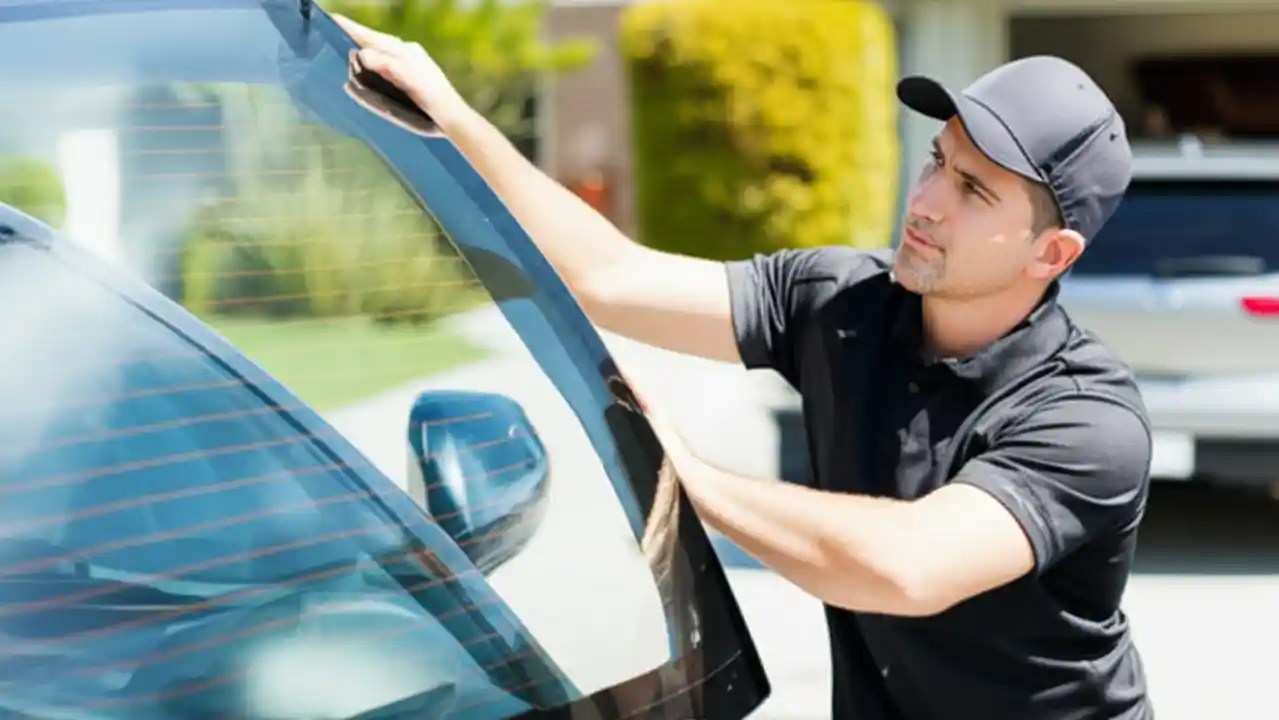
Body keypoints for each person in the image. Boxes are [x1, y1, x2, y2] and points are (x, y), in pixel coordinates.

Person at [335, 15, 1154, 720]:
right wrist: (452, 119)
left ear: (1052, 252)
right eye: (939, 160)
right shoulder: (843, 301)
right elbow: (611, 278)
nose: (928, 198)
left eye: (974, 191)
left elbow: (908, 568)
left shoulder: (1086, 418)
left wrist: (686, 473)